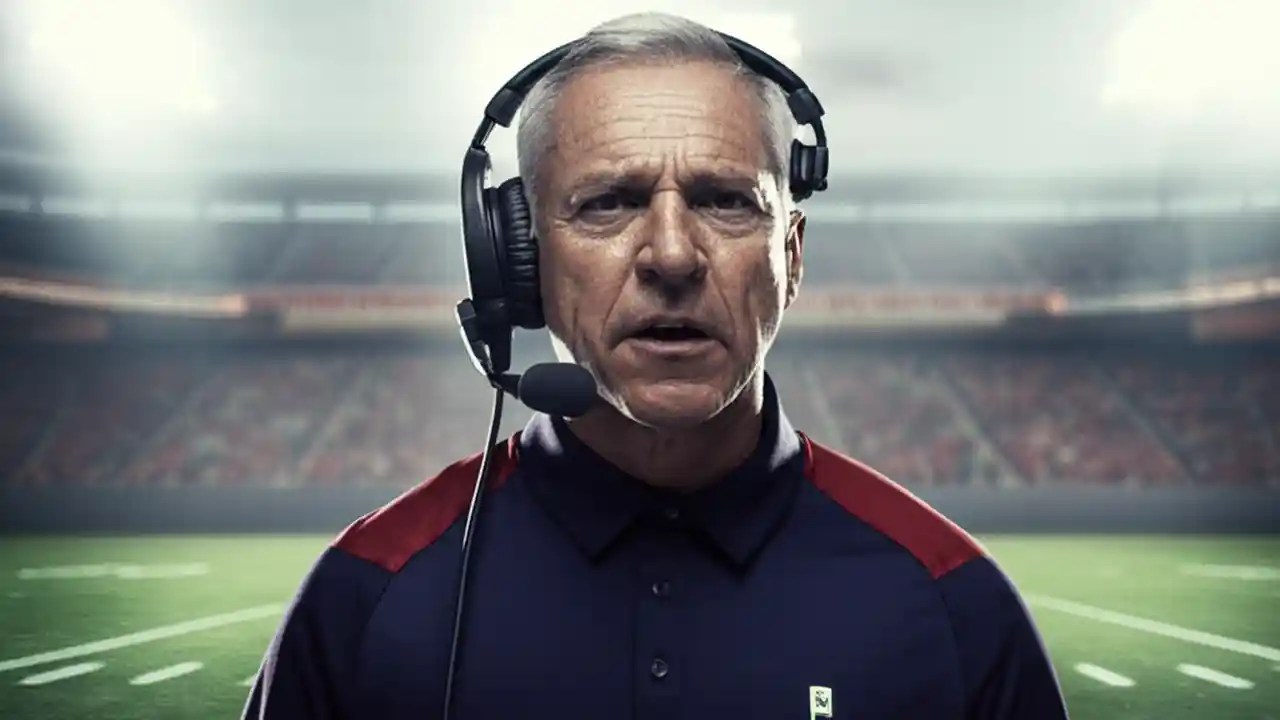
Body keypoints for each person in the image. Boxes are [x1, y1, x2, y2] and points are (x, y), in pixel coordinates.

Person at [243, 12, 1069, 719]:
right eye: (608, 203)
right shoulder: (364, 595)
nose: (672, 255)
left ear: (791, 253)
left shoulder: (953, 599)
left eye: (724, 200)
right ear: (518, 258)